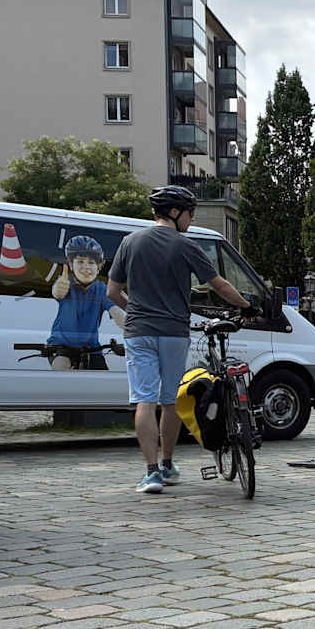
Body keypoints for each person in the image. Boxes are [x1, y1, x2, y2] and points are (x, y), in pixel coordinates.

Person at [107, 186, 253, 494]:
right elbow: (220, 285)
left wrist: (135, 311)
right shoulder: (185, 245)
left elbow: (112, 292)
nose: (192, 217)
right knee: (169, 401)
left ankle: (150, 475)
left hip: (139, 332)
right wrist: (247, 306)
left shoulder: (129, 243)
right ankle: (167, 465)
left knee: (144, 401)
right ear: (175, 212)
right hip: (173, 332)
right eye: (190, 212)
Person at [47, 235, 126, 370]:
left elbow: (117, 313)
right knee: (61, 369)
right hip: (61, 346)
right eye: (80, 262)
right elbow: (58, 292)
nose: (86, 267)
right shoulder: (66, 283)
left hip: (91, 348)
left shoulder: (101, 288)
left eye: (91, 263)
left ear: (99, 266)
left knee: (102, 380)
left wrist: (134, 331)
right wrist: (58, 289)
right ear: (71, 265)